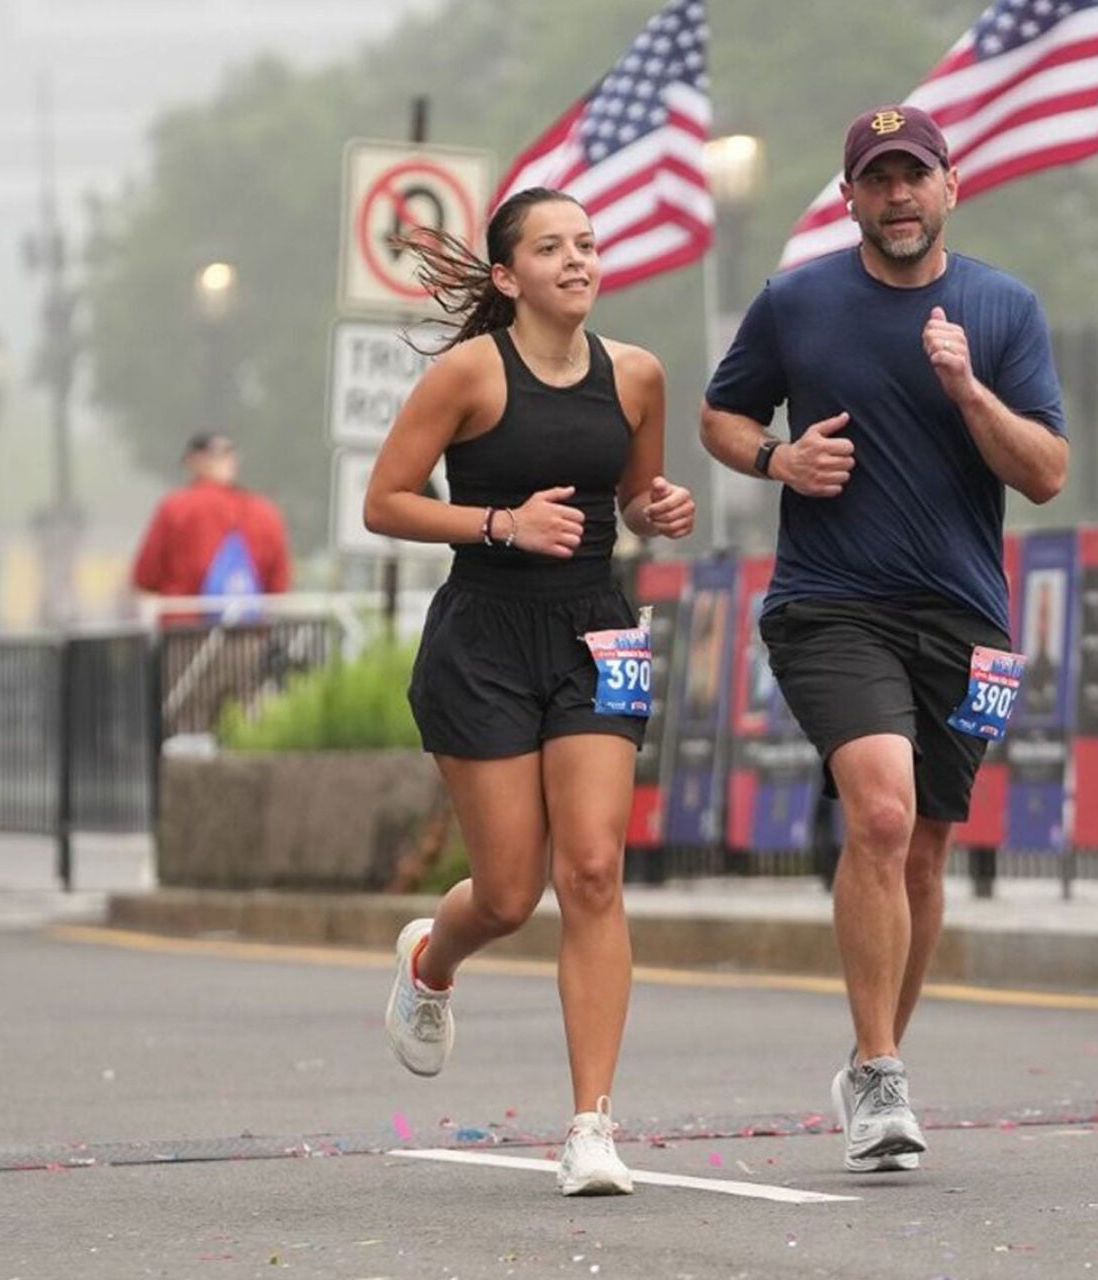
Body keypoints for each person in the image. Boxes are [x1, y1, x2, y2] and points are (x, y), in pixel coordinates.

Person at [701, 104, 1067, 1174]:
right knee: (881, 807)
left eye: (916, 176)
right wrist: (776, 462)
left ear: (950, 187)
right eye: (878, 179)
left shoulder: (1003, 308)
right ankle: (878, 1070)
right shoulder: (799, 300)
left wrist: (966, 388)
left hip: (966, 616)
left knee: (924, 843)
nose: (898, 195)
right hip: (830, 601)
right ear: (850, 194)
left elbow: (1044, 471)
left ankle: (878, 1060)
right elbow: (721, 415)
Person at [363, 187, 697, 1197]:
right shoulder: (471, 370)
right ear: (508, 277)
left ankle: (591, 1122)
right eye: (551, 247)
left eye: (587, 244)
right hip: (484, 635)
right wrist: (500, 523)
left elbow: (634, 496)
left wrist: (659, 505)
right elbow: (385, 499)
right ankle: (430, 956)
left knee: (592, 867)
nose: (576, 260)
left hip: (596, 626)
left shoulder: (636, 374)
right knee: (511, 891)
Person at [129, 431, 291, 733]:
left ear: (194, 461)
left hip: (186, 637)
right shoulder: (265, 513)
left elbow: (145, 575)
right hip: (247, 638)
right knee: (245, 726)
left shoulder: (175, 509)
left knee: (187, 725)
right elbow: (279, 584)